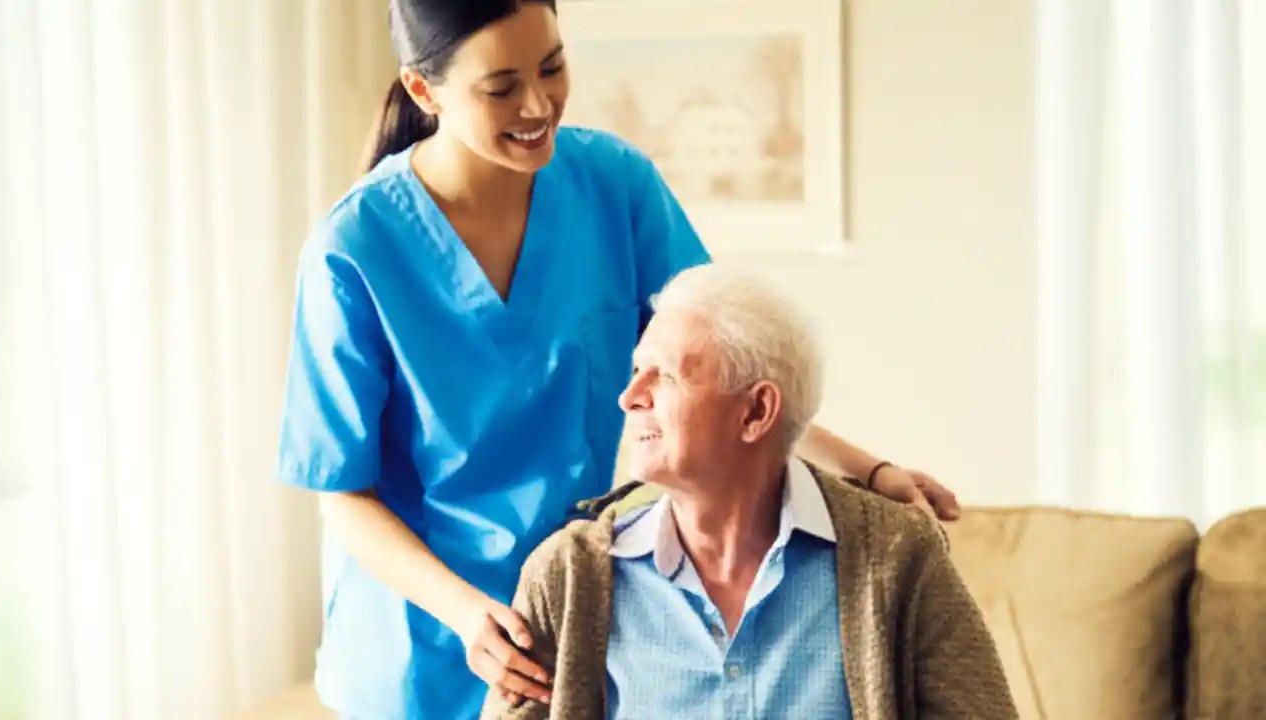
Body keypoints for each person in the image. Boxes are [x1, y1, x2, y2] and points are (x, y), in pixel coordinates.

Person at [276, 1, 961, 718]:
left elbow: (727, 375)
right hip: (420, 638)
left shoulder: (613, 184)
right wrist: (466, 613)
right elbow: (340, 492)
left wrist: (868, 469)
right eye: (501, 87)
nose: (538, 105)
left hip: (569, 613)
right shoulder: (353, 249)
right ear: (425, 91)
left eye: (552, 66)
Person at [481, 265, 1015, 720]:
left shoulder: (899, 556)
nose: (629, 397)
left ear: (757, 411)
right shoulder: (568, 578)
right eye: (636, 370)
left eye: (663, 377)